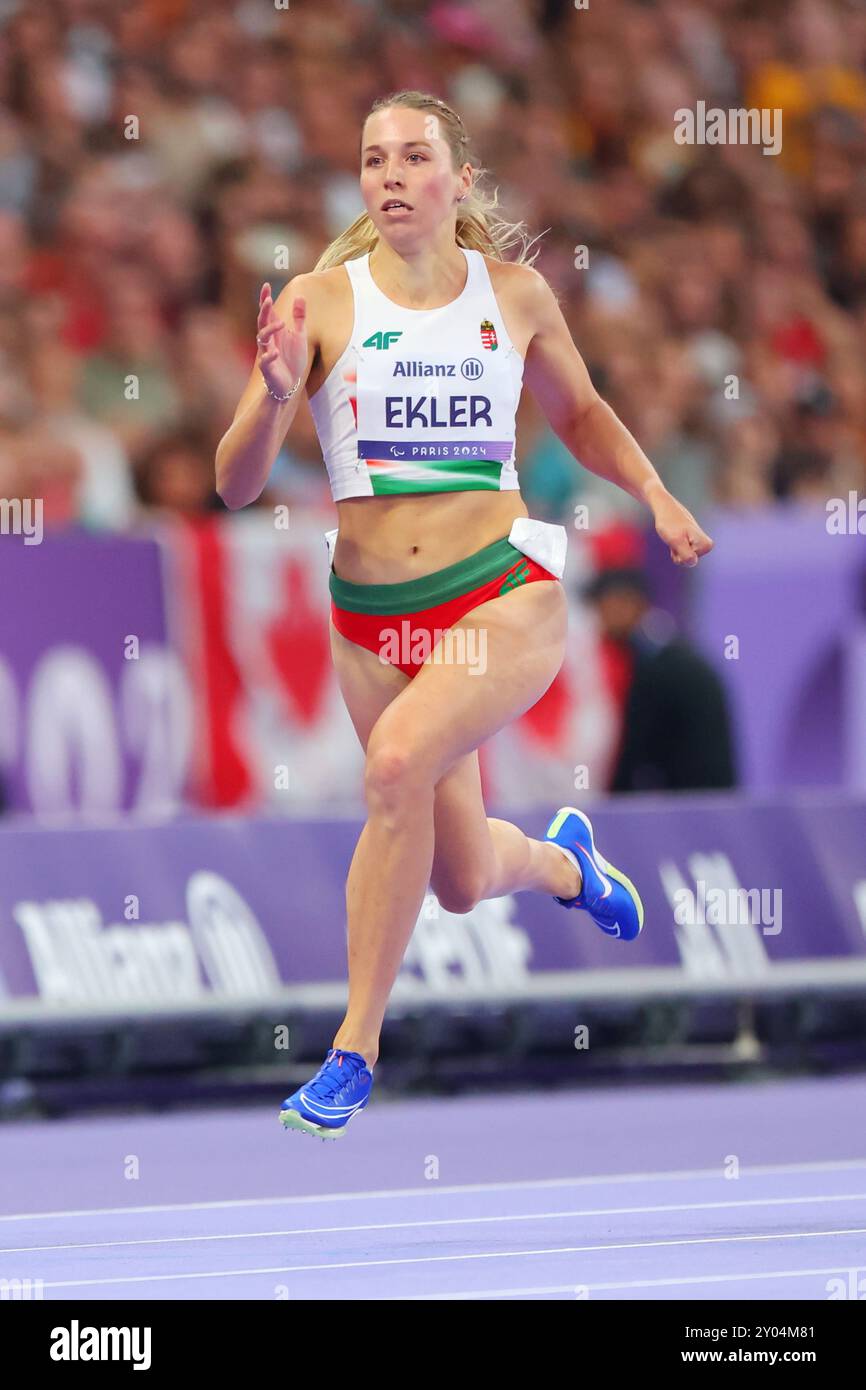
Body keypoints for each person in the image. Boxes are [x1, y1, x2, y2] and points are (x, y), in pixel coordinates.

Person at [215, 90, 713, 1140]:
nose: (390, 175)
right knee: (459, 876)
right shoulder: (318, 302)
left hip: (499, 590)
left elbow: (578, 414)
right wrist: (268, 398)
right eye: (372, 159)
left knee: (393, 765)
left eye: (412, 156)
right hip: (369, 620)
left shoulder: (516, 294)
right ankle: (568, 862)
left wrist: (655, 493)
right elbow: (233, 485)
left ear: (456, 181)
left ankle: (353, 1048)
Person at [584, 567, 737, 792]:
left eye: (604, 606)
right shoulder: (664, 651)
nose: (600, 618)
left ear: (631, 603)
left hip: (696, 801)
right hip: (706, 797)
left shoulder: (654, 665)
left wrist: (610, 803)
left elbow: (633, 748)